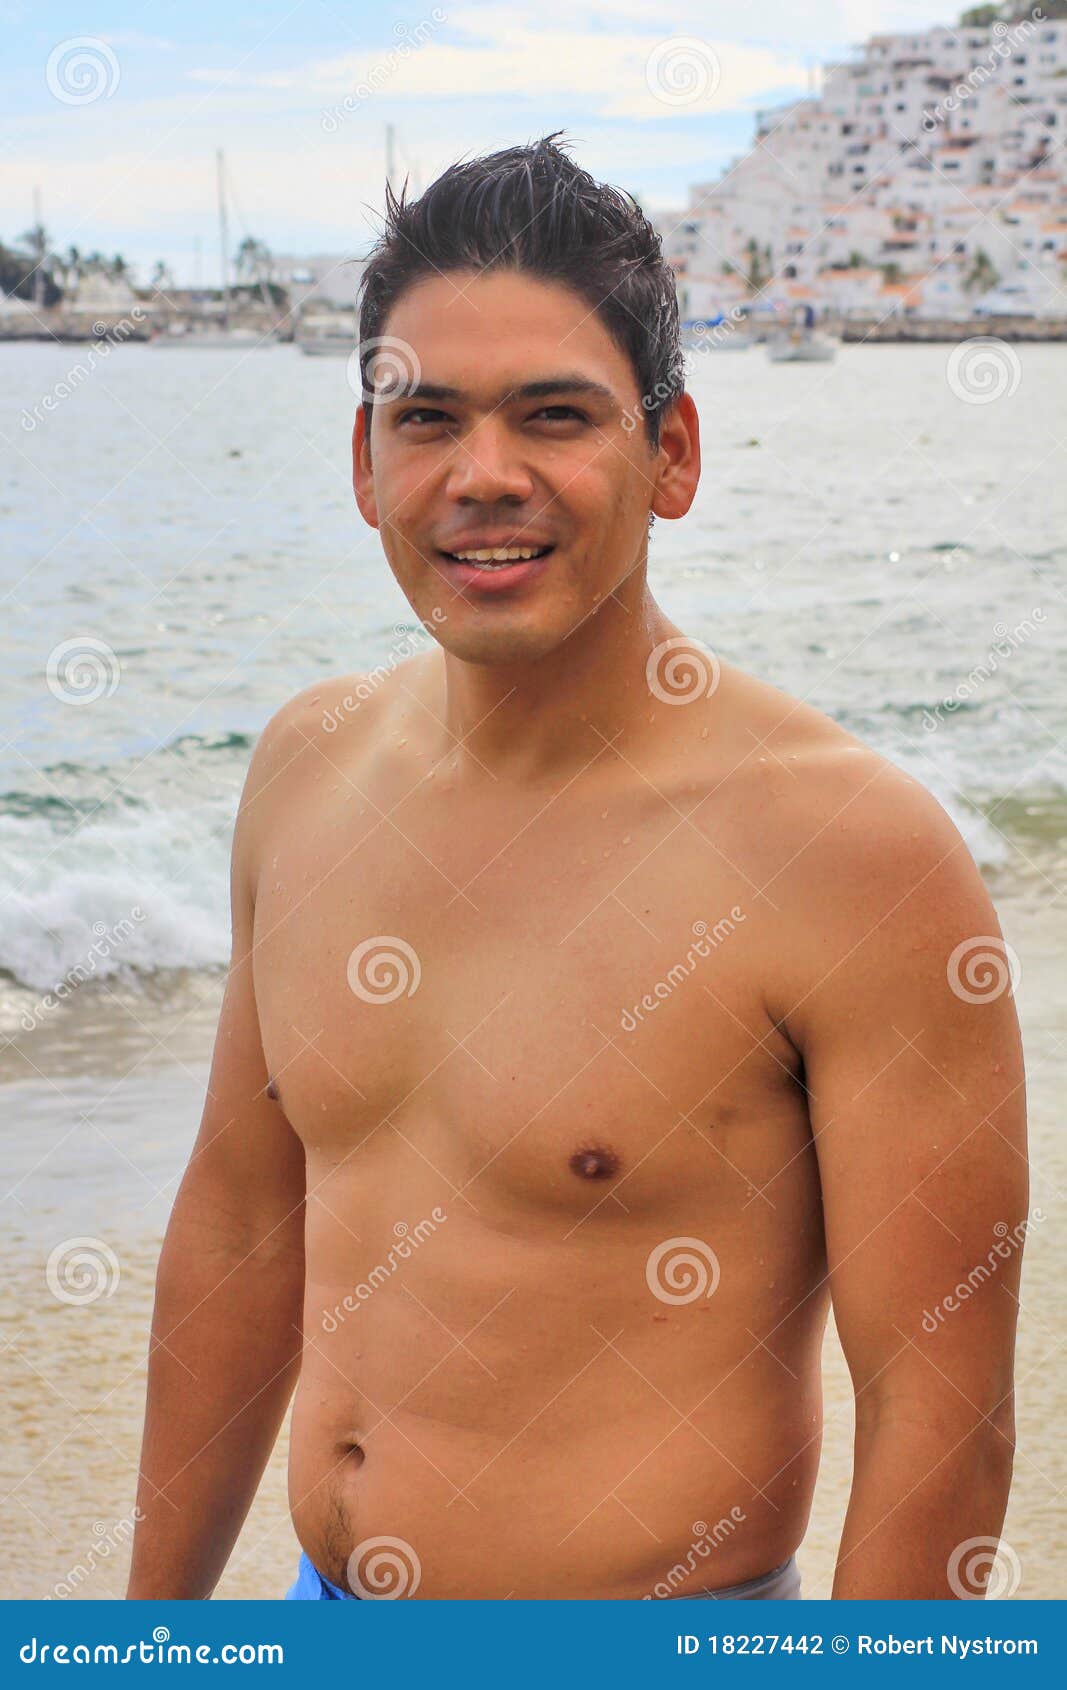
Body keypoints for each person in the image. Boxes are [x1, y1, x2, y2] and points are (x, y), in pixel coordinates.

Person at [126, 134, 1027, 1603]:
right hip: (322, 1608)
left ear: (669, 455)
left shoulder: (851, 856)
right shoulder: (307, 767)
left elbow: (943, 1419)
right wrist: (145, 1634)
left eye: (555, 415)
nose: (484, 476)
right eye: (425, 419)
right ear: (366, 465)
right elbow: (237, 1229)